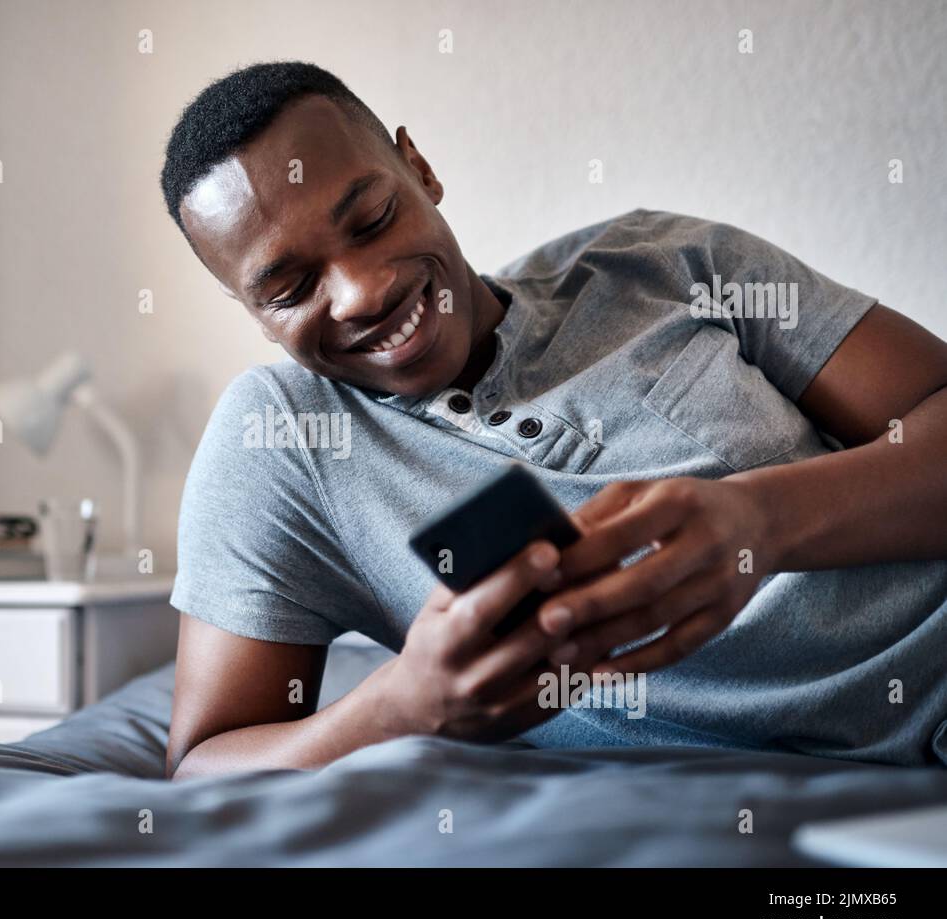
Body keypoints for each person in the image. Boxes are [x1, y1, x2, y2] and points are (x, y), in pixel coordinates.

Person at [158, 61, 947, 779]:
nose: (362, 292)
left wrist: (762, 520)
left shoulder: (663, 260)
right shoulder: (284, 444)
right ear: (253, 313)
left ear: (419, 168)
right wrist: (408, 705)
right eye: (290, 288)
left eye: (371, 220)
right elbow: (202, 764)